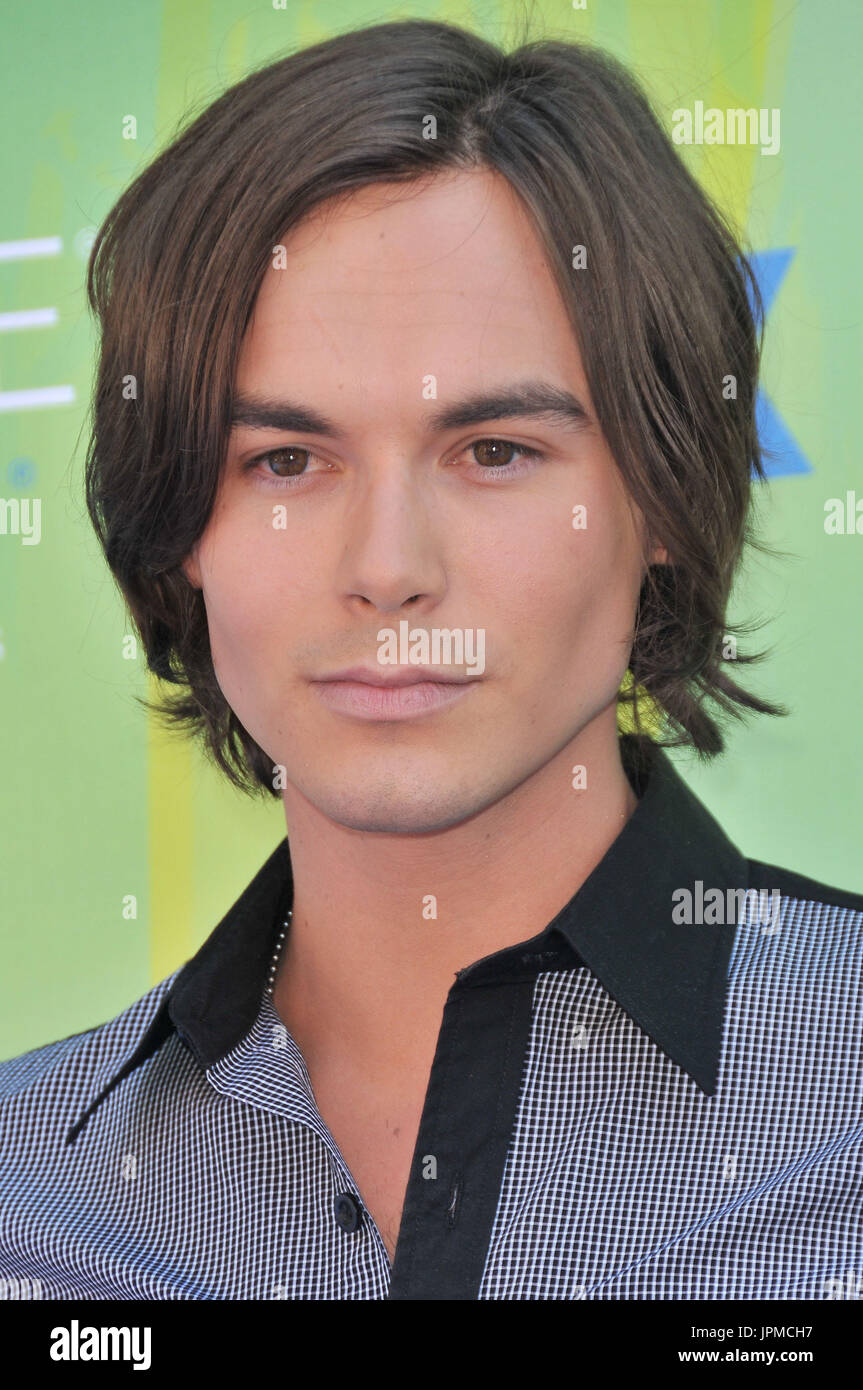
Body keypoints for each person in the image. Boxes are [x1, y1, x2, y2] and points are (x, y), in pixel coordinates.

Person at [1, 18, 861, 1302]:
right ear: (181, 526)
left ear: (665, 499)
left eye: (494, 450)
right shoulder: (31, 1185)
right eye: (285, 461)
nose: (387, 565)